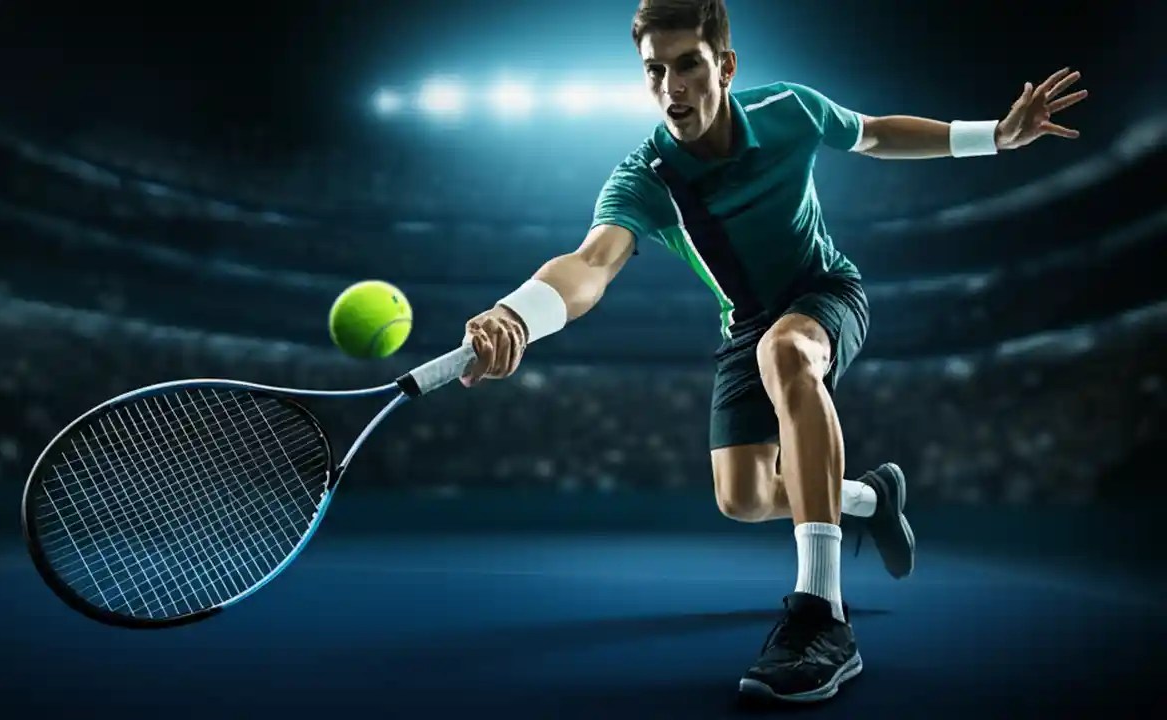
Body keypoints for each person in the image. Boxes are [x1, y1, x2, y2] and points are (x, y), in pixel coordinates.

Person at [457, 0, 1086, 704]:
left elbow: (874, 135)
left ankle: (823, 617)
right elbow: (590, 265)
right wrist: (516, 313)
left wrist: (995, 137)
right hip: (745, 327)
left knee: (787, 352)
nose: (673, 86)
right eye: (655, 71)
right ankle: (868, 498)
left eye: (689, 65)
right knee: (744, 498)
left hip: (824, 294)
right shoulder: (646, 177)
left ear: (724, 65)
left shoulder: (790, 109)